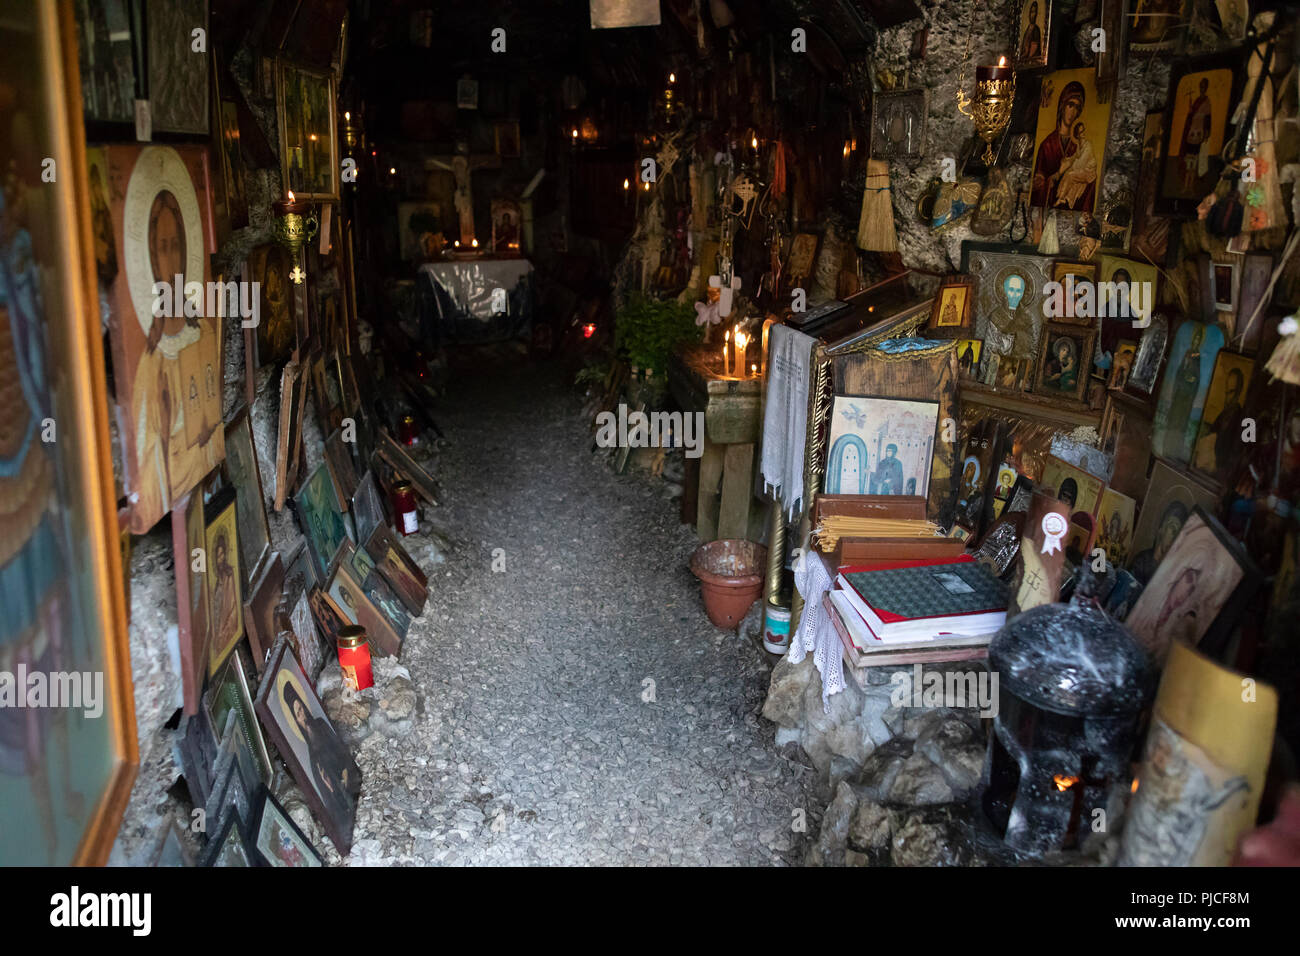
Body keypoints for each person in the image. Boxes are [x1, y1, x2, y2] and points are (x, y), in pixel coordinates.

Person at [282, 679, 356, 825]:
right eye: (297, 713)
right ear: (295, 719)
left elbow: (339, 749)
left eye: (301, 708)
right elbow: (321, 782)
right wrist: (330, 786)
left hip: (346, 775)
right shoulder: (307, 749)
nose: (302, 713)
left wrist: (345, 772)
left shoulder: (320, 724)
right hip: (336, 791)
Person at [1032, 82, 1093, 210]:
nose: (1073, 112)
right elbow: (1037, 185)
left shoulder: (1077, 146)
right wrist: (1053, 177)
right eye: (1070, 105)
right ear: (1062, 106)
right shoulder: (1047, 145)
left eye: (1077, 107)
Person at [1179, 77, 1213, 193]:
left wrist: (1207, 132)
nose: (1202, 88)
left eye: (1204, 86)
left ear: (1206, 88)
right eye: (1200, 86)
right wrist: (1190, 112)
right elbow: (1191, 115)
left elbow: (1208, 119)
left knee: (1194, 164)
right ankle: (1186, 186)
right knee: (1189, 163)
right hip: (1192, 133)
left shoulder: (1207, 102)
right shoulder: (1197, 100)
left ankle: (1191, 186)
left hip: (1199, 134)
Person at [1054, 122, 1097, 209]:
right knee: (1067, 173)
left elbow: (1081, 162)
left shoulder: (1088, 145)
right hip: (1082, 170)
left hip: (1089, 173)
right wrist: (1067, 159)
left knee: (1070, 175)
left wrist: (1071, 165)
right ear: (1077, 135)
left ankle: (1063, 198)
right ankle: (1061, 198)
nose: (1083, 133)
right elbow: (1075, 157)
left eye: (1083, 130)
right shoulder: (1079, 145)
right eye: (1081, 132)